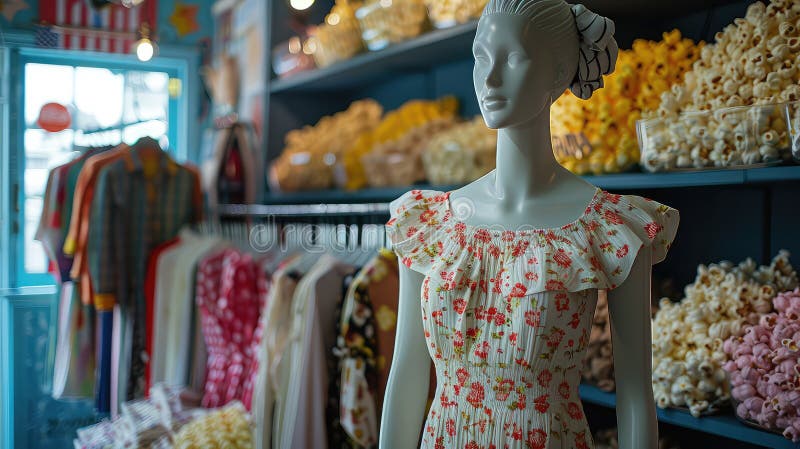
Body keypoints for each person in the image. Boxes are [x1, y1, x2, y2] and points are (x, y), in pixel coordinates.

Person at [380, 1, 680, 448]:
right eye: (482, 56)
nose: (490, 78)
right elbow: (405, 376)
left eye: (513, 58)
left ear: (560, 73)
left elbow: (636, 396)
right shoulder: (429, 223)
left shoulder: (608, 228)